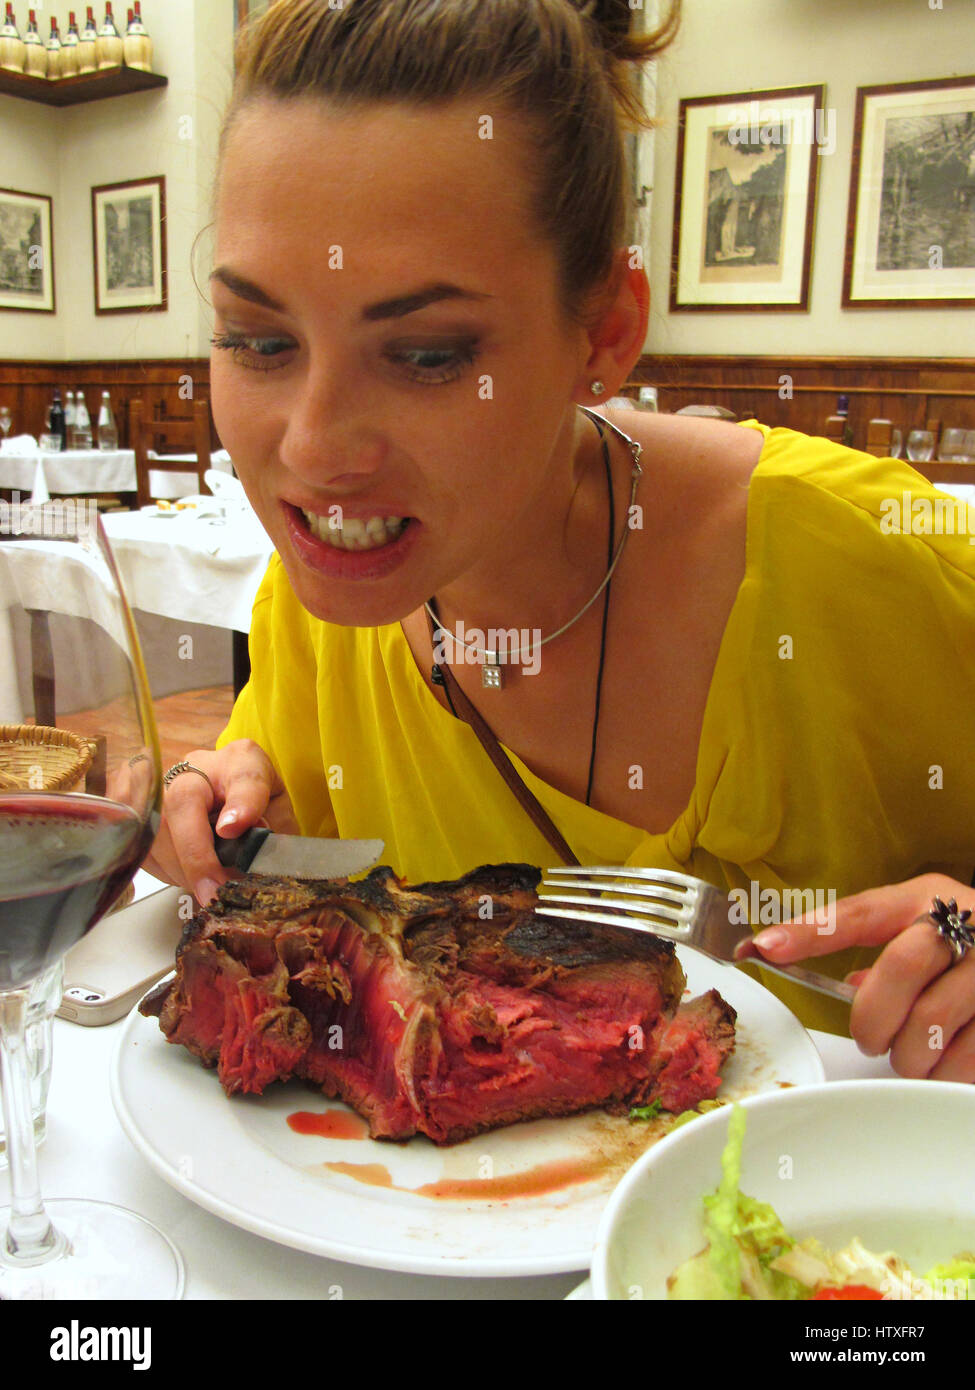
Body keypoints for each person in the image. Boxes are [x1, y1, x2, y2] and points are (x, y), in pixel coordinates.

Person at [147, 0, 975, 1078]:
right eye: (258, 340)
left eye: (428, 355)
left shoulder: (858, 561)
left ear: (607, 334)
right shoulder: (315, 615)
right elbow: (292, 839)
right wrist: (228, 806)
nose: (311, 449)